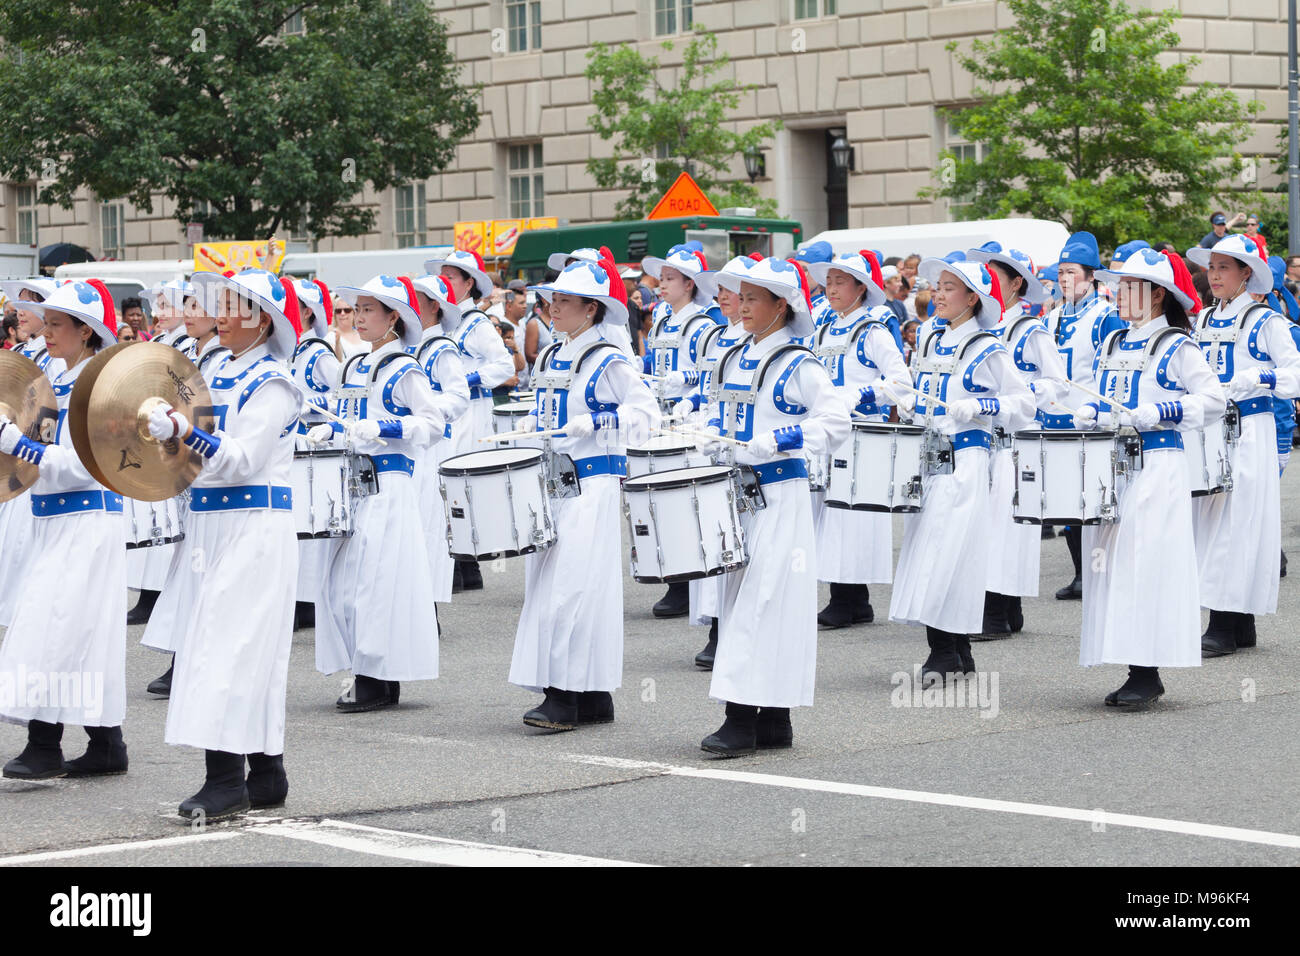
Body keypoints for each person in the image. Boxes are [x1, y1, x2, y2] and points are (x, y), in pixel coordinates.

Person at [148, 267, 302, 820]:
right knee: (228, 645)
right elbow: (198, 458)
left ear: (262, 319)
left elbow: (241, 459)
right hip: (212, 525)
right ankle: (266, 773)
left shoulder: (275, 383)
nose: (220, 314)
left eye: (234, 305)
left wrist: (184, 432)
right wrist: (168, 439)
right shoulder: (215, 369)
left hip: (254, 526)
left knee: (229, 649)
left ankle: (225, 781)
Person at [692, 256, 850, 756]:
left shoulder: (799, 363)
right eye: (740, 296)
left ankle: (741, 718)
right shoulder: (732, 354)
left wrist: (783, 437)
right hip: (736, 493)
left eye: (752, 298)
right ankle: (774, 719)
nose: (740, 305)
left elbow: (836, 422)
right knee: (744, 599)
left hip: (780, 494)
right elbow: (720, 412)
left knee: (766, 601)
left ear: (781, 306)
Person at [510, 251, 660, 730]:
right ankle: (593, 695)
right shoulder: (553, 353)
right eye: (553, 297)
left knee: (573, 587)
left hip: (592, 482)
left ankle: (566, 694)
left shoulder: (608, 358)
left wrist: (600, 419)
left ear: (592, 307)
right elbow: (546, 409)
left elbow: (647, 414)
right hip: (554, 481)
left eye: (566, 299)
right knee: (557, 584)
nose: (554, 305)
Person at [1074, 249, 1225, 705]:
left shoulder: (1178, 345)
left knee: (1145, 562)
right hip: (1112, 465)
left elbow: (1213, 400)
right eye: (1118, 286)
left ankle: (1146, 670)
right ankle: (1130, 661)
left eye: (1129, 287)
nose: (1118, 294)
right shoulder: (1114, 342)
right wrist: (1090, 411)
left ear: (1157, 295)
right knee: (1112, 561)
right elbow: (1104, 396)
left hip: (1158, 464)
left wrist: (1162, 410)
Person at [0, 279, 126, 780]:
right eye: (46, 322)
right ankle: (105, 741)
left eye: (56, 324)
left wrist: (19, 443)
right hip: (53, 515)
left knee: (56, 626)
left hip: (90, 514)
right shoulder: (49, 372)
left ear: (86, 330)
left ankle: (44, 742)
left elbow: (86, 464)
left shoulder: (102, 383)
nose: (45, 331)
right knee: (82, 629)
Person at [890, 259, 1034, 685]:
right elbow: (923, 393)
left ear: (973, 298)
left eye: (950, 288)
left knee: (952, 554)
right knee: (931, 552)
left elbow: (1024, 405)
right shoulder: (932, 338)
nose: (938, 294)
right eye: (938, 286)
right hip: (930, 459)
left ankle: (949, 649)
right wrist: (906, 401)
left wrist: (984, 406)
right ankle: (954, 650)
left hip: (967, 460)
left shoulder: (987, 348)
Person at [310, 275, 448, 713]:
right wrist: (326, 429)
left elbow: (433, 424)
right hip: (351, 485)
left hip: (389, 485)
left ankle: (375, 677)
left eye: (370, 309)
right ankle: (368, 671)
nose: (359, 316)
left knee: (378, 583)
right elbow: (344, 417)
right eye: (358, 308)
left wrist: (387, 427)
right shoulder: (352, 365)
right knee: (344, 583)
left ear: (394, 318)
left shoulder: (405, 368)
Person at [1187, 234, 1300, 657]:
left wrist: (1263, 378)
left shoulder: (1265, 321)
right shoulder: (1201, 321)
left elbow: (1296, 373)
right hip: (1210, 430)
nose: (1214, 275)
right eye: (1212, 267)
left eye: (1224, 267)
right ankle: (1238, 622)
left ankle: (1223, 621)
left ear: (1245, 274)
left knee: (1239, 521)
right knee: (1213, 519)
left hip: (1250, 428)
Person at [965, 241, 1069, 636]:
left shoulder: (1028, 329)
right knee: (986, 525)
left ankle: (999, 609)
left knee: (1006, 526)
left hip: (1015, 440)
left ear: (1016, 284)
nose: (989, 280)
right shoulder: (978, 328)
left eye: (997, 274)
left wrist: (1019, 397)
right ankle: (1002, 608)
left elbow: (1056, 382)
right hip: (981, 438)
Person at [804, 250, 910, 629]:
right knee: (828, 513)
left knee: (850, 517)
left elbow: (901, 381)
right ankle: (845, 595)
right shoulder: (821, 326)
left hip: (859, 433)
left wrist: (861, 395)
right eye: (828, 281)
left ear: (860, 288)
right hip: (826, 430)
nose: (830, 288)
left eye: (839, 281)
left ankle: (851, 597)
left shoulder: (872, 330)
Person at [663, 254, 756, 668]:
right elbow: (709, 385)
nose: (720, 297)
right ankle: (717, 626)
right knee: (714, 533)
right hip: (712, 439)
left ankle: (729, 631)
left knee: (733, 538)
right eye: (718, 291)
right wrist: (690, 401)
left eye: (730, 292)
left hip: (745, 448)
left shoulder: (755, 341)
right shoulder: (719, 336)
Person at [140, 286, 231, 699]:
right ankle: (184, 658)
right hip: (191, 467)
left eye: (200, 306)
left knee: (203, 575)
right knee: (188, 573)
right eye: (189, 305)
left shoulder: (223, 360)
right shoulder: (194, 354)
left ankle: (191, 662)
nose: (189, 312)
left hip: (215, 471)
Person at [639, 242, 725, 618]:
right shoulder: (659, 318)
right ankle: (671, 574)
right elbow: (649, 361)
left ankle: (686, 584)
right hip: (658, 418)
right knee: (657, 495)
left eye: (670, 278)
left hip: (688, 420)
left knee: (681, 498)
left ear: (690, 284)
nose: (661, 284)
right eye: (661, 278)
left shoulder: (703, 324)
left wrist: (681, 382)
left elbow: (707, 375)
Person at [423, 249, 515, 593]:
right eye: (443, 275)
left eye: (452, 276)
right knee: (444, 484)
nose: (445, 281)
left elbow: (504, 366)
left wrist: (466, 380)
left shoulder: (475, 322)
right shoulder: (437, 322)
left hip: (470, 411)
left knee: (460, 483)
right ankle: (459, 563)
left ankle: (466, 564)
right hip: (446, 411)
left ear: (468, 284)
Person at [1043, 232, 1124, 600]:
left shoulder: (1106, 314)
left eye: (1072, 272)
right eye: (1060, 272)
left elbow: (1113, 370)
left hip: (1090, 423)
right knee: (1065, 503)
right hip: (1055, 421)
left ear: (1091, 276)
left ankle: (1097, 572)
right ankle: (1080, 573)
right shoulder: (1052, 316)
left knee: (1093, 501)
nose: (1064, 279)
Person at [125, 279, 198, 628]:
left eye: (166, 304)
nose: (158, 312)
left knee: (172, 523)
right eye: (157, 304)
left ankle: (158, 597)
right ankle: (148, 593)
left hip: (176, 435)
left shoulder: (188, 344)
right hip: (152, 432)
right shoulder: (158, 341)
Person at [0, 278, 61, 634]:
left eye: (29, 303)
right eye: (19, 304)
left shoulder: (53, 360)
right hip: (13, 462)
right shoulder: (24, 354)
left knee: (23, 558)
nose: (19, 311)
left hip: (34, 464)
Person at [408, 274, 471, 606]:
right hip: (409, 444)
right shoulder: (406, 345)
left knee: (430, 523)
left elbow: (459, 397)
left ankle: (427, 606)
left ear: (434, 306)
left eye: (416, 298)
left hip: (433, 446)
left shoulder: (441, 347)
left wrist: (425, 411)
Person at [287, 278, 342, 632]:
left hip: (318, 443)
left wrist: (310, 404)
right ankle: (299, 598)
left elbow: (344, 395)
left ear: (307, 312)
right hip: (297, 443)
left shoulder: (319, 353)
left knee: (314, 519)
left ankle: (307, 601)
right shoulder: (291, 351)